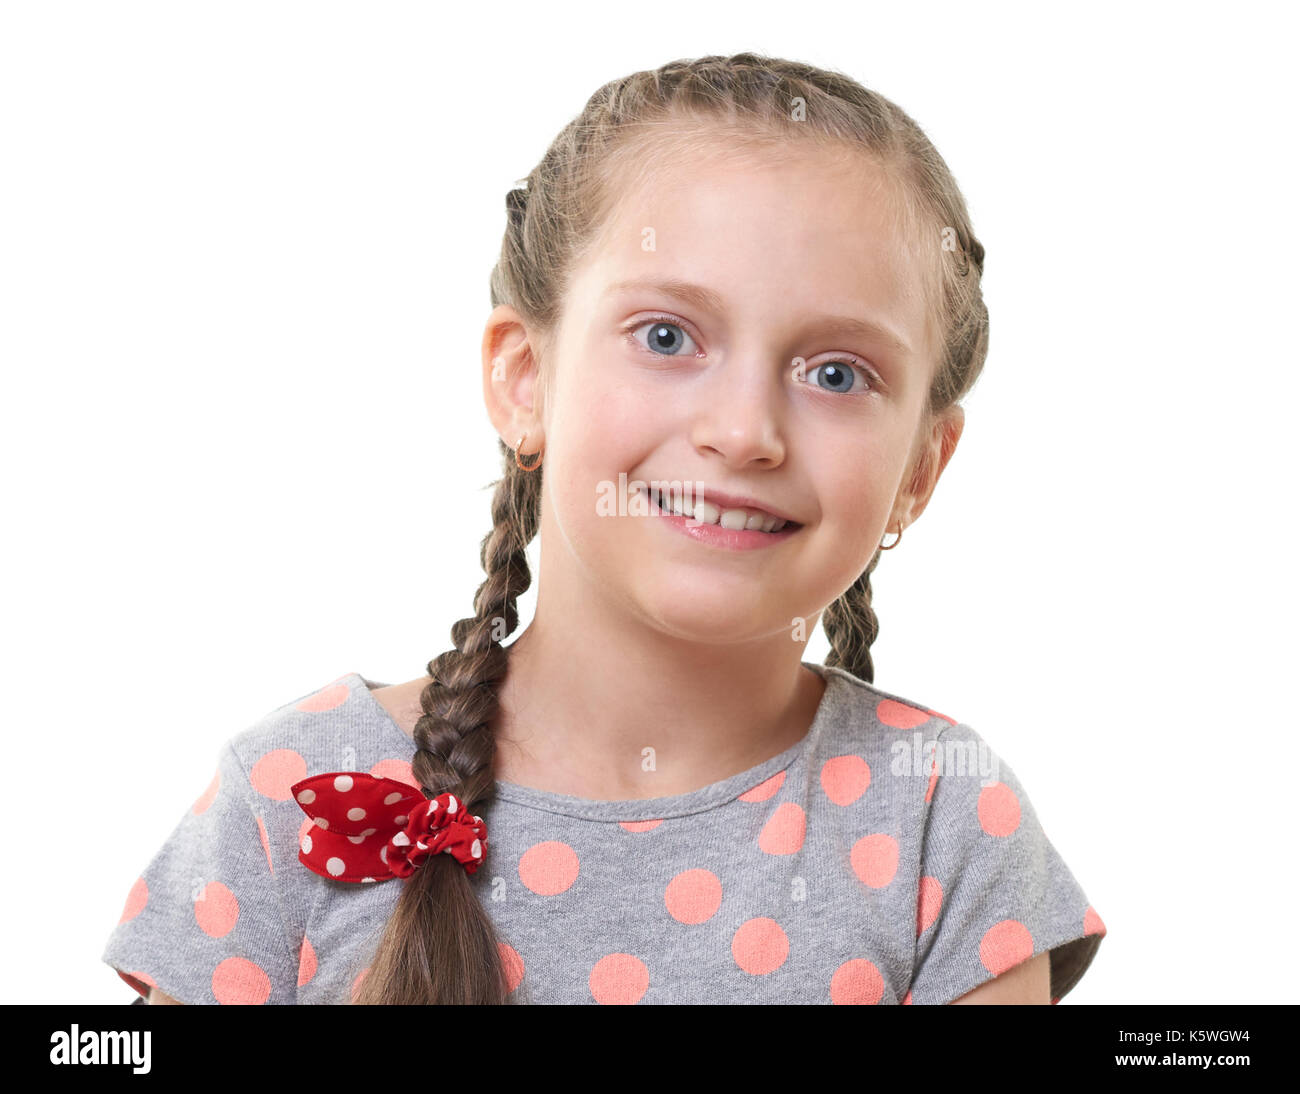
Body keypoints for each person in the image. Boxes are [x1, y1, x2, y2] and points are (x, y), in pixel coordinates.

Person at [101, 52, 1106, 1005]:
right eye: (667, 337)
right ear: (524, 378)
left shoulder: (944, 819)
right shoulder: (292, 797)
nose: (742, 431)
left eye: (835, 372)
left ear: (919, 469)